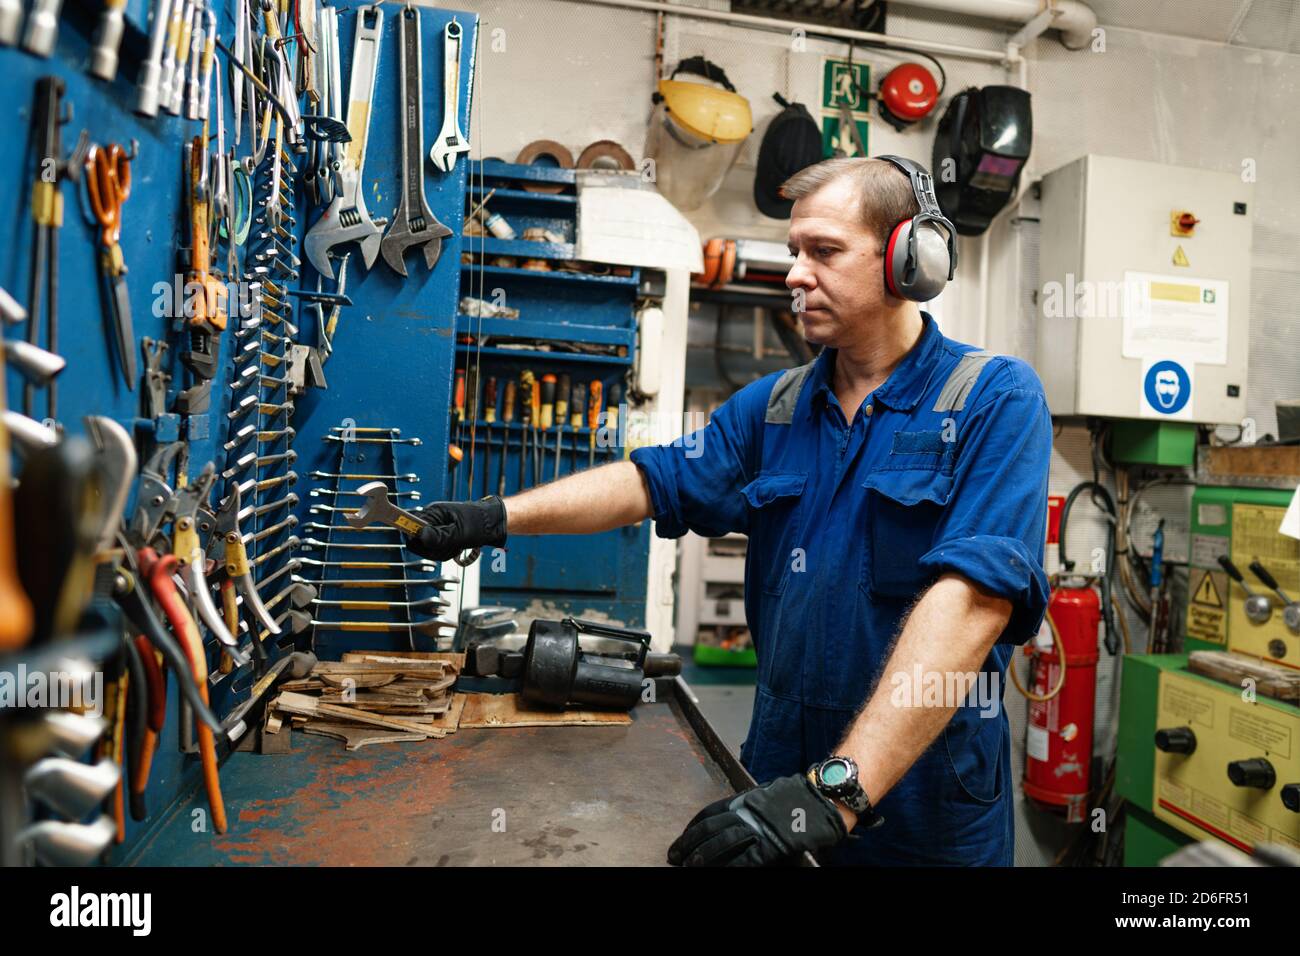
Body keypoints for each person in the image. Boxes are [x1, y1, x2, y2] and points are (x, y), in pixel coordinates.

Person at [407, 157, 1052, 866]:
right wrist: (493, 517)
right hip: (776, 786)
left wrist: (837, 793)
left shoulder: (993, 399)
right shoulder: (771, 410)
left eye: (826, 251)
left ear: (909, 257)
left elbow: (973, 601)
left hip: (920, 813)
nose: (797, 274)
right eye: (796, 250)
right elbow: (651, 482)